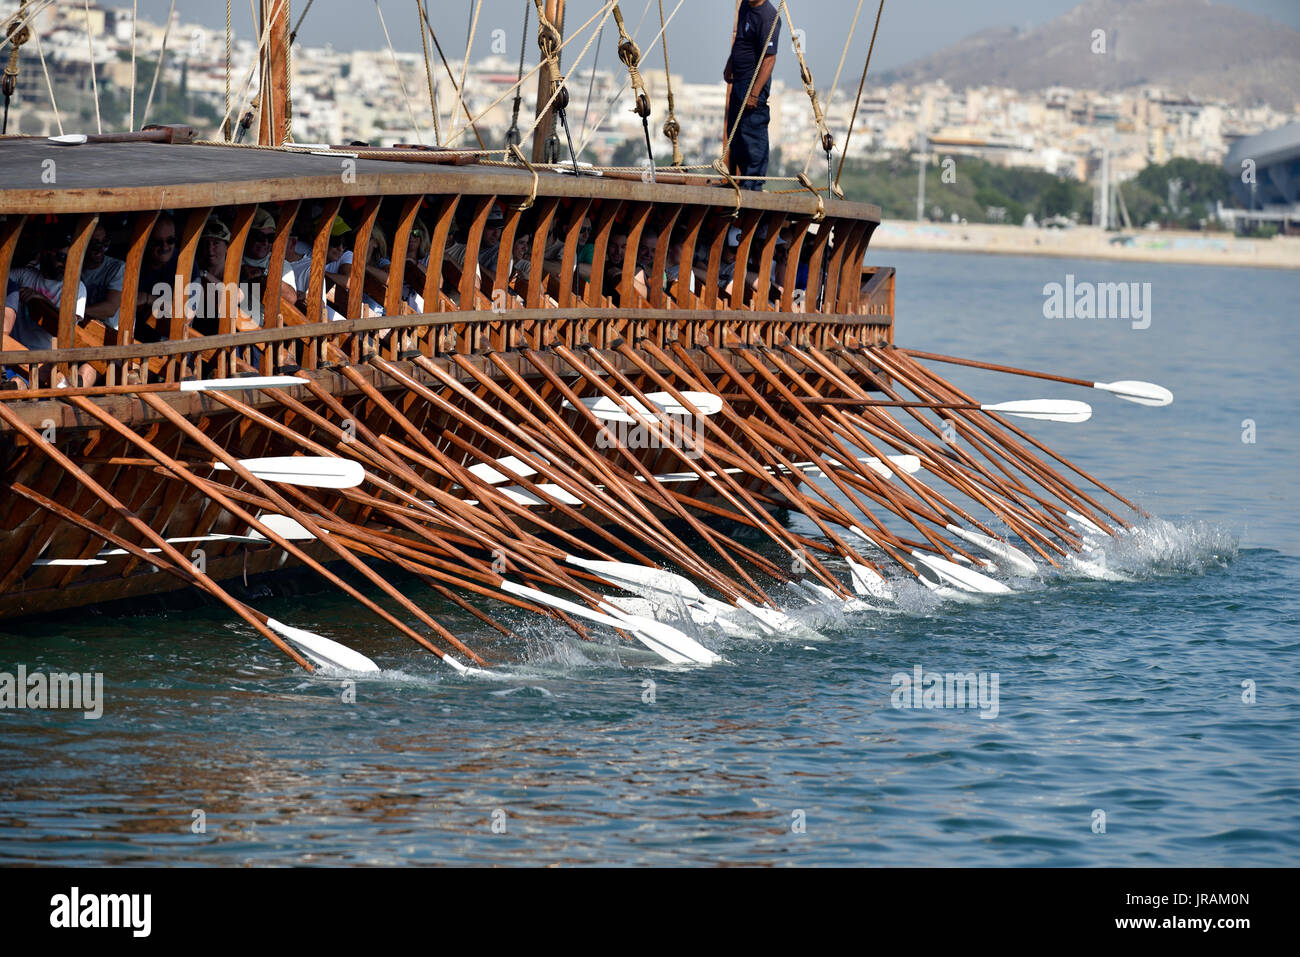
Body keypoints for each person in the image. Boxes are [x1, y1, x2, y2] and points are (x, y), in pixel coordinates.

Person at [5, 227, 98, 386]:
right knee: (15, 382)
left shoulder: (76, 287)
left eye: (70, 257)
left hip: (49, 362)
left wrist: (42, 300)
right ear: (45, 253)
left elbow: (68, 326)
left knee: (88, 370)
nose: (65, 262)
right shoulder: (25, 275)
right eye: (61, 256)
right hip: (15, 356)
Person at [723, 0, 780, 190]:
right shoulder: (745, 6)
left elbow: (769, 59)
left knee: (752, 132)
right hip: (739, 80)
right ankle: (742, 180)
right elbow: (740, 39)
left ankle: (753, 184)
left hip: (753, 83)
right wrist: (730, 64)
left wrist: (754, 93)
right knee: (735, 133)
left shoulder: (768, 16)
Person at [80, 224, 126, 329]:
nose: (100, 249)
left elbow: (110, 309)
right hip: (84, 330)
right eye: (94, 244)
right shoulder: (73, 267)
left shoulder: (118, 268)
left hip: (111, 335)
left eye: (104, 243)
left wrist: (74, 312)